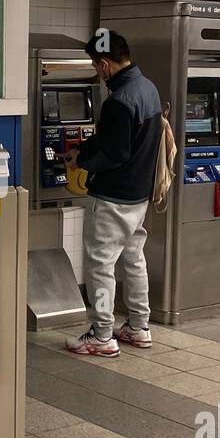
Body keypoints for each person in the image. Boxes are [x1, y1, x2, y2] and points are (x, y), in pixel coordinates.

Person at [64, 31, 163, 357]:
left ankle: (102, 333)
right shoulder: (147, 88)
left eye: (96, 65)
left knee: (100, 266)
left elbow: (114, 153)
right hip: (138, 195)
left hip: (112, 198)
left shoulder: (119, 101)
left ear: (104, 64)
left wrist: (83, 160)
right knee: (134, 259)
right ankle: (139, 327)